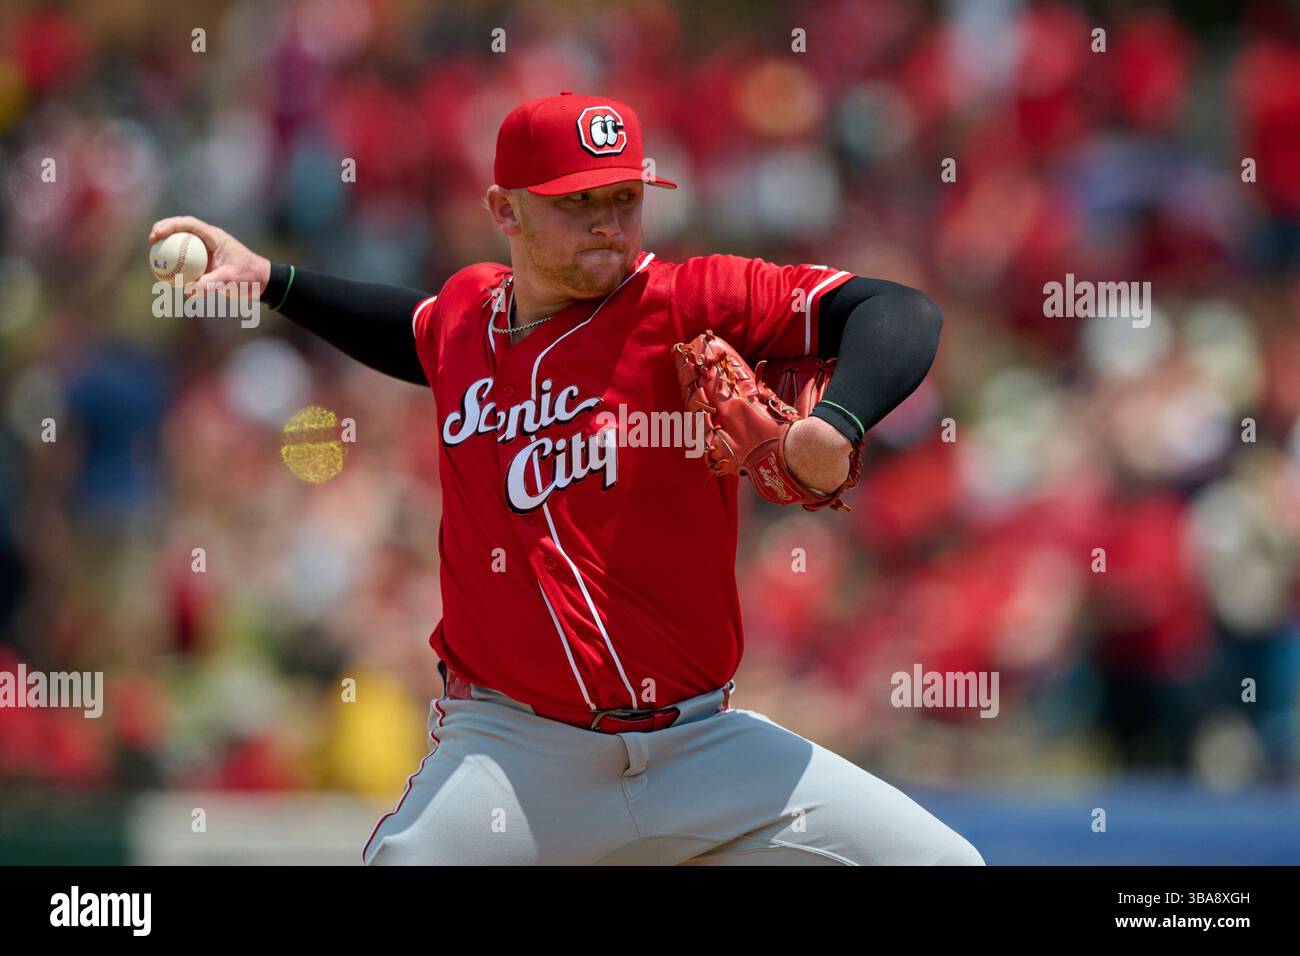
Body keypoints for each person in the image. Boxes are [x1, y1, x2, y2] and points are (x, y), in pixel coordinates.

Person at [149, 90, 983, 865]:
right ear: (504, 210)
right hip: (515, 753)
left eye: (622, 197)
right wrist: (272, 280)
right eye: (574, 201)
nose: (606, 223)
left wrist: (836, 423)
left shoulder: (691, 300)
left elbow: (902, 310)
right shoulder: (468, 316)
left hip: (701, 744)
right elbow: (411, 332)